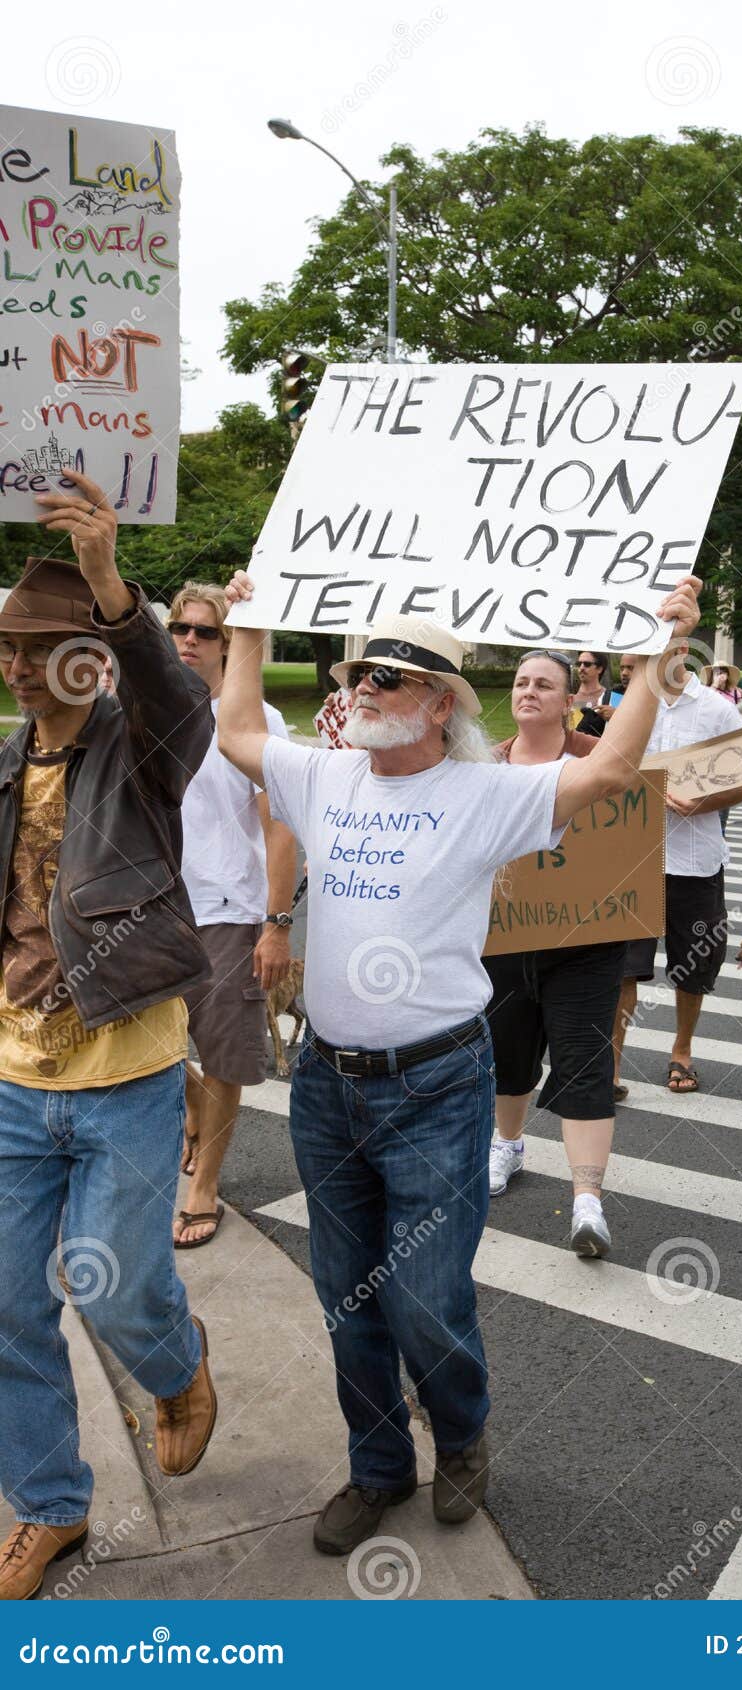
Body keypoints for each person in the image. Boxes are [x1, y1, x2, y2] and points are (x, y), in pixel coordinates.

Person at [217, 573, 702, 1556]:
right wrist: (247, 624)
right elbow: (234, 728)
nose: (360, 688)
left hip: (436, 1087)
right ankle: (379, 1465)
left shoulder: (484, 794)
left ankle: (465, 1433)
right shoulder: (321, 771)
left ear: (440, 704)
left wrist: (657, 656)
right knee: (346, 1297)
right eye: (357, 673)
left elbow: (608, 771)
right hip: (326, 1083)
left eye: (387, 678)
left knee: (425, 1301)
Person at [0, 474, 218, 1601]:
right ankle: (50, 1505)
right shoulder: (3, 764)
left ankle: (177, 1369)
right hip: (9, 1083)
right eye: (10, 647)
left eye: (46, 646)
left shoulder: (141, 752)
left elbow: (178, 697)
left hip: (124, 1070)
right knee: (5, 1301)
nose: (23, 664)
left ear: (90, 656)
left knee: (123, 1285)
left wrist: (104, 581)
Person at [168, 583, 298, 1246]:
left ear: (228, 642)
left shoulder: (256, 721)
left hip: (227, 908)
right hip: (151, 911)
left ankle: (205, 1186)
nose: (189, 639)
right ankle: (189, 1105)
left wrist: (276, 924)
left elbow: (280, 826)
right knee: (145, 1045)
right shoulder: (144, 707)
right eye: (180, 627)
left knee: (221, 1054)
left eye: (206, 631)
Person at [484, 651, 623, 1257]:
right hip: (504, 936)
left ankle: (587, 1202)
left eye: (544, 683)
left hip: (587, 944)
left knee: (585, 1064)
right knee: (508, 1057)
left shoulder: (601, 759)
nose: (529, 691)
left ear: (570, 699)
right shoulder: (483, 765)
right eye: (521, 681)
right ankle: (507, 1145)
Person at [612, 641, 742, 1095]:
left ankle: (682, 1049)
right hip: (631, 858)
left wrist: (701, 803)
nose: (629, 675)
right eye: (627, 669)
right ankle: (611, 1068)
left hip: (694, 860)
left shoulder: (717, 709)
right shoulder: (631, 711)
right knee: (623, 967)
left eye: (636, 666)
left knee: (691, 963)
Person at [571, 650, 621, 738]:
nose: (581, 668)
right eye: (579, 664)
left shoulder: (615, 698)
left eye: (587, 664)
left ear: (599, 669)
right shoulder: (567, 699)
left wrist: (616, 717)